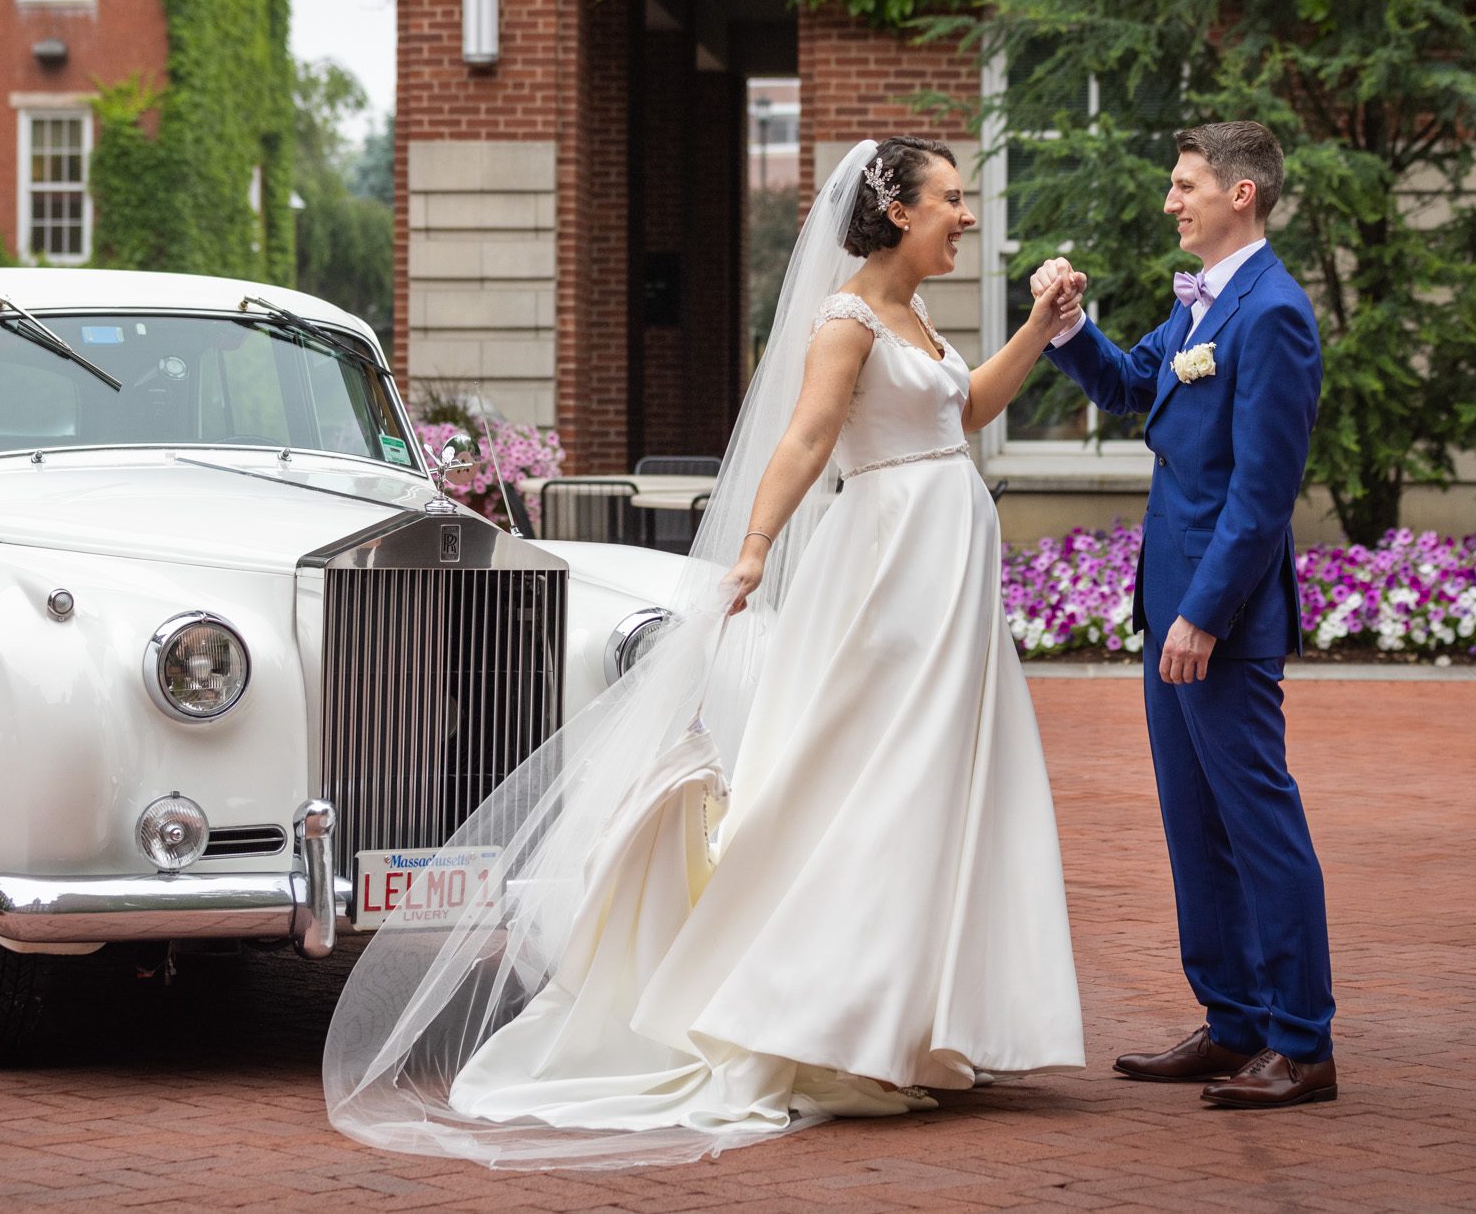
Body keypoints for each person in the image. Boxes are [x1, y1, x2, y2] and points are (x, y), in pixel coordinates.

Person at [324, 137, 1084, 1169]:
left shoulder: (917, 317)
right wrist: (755, 546)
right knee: (878, 780)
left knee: (940, 784)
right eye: (953, 197)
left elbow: (966, 411)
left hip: (948, 583)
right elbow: (805, 440)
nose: (969, 214)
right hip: (893, 580)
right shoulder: (847, 318)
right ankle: (826, 1014)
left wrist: (1039, 328)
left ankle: (908, 1020)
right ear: (900, 211)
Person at [1031, 120, 1336, 1110]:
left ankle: (1302, 1042)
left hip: (1220, 616)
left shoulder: (1272, 312)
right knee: (1193, 822)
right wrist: (1069, 325)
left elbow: (1262, 491)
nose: (1170, 200)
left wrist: (1204, 613)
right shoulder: (1203, 301)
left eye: (1184, 184)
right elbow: (1131, 384)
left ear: (1239, 194)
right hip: (1168, 603)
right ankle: (1233, 1019)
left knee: (1258, 822)